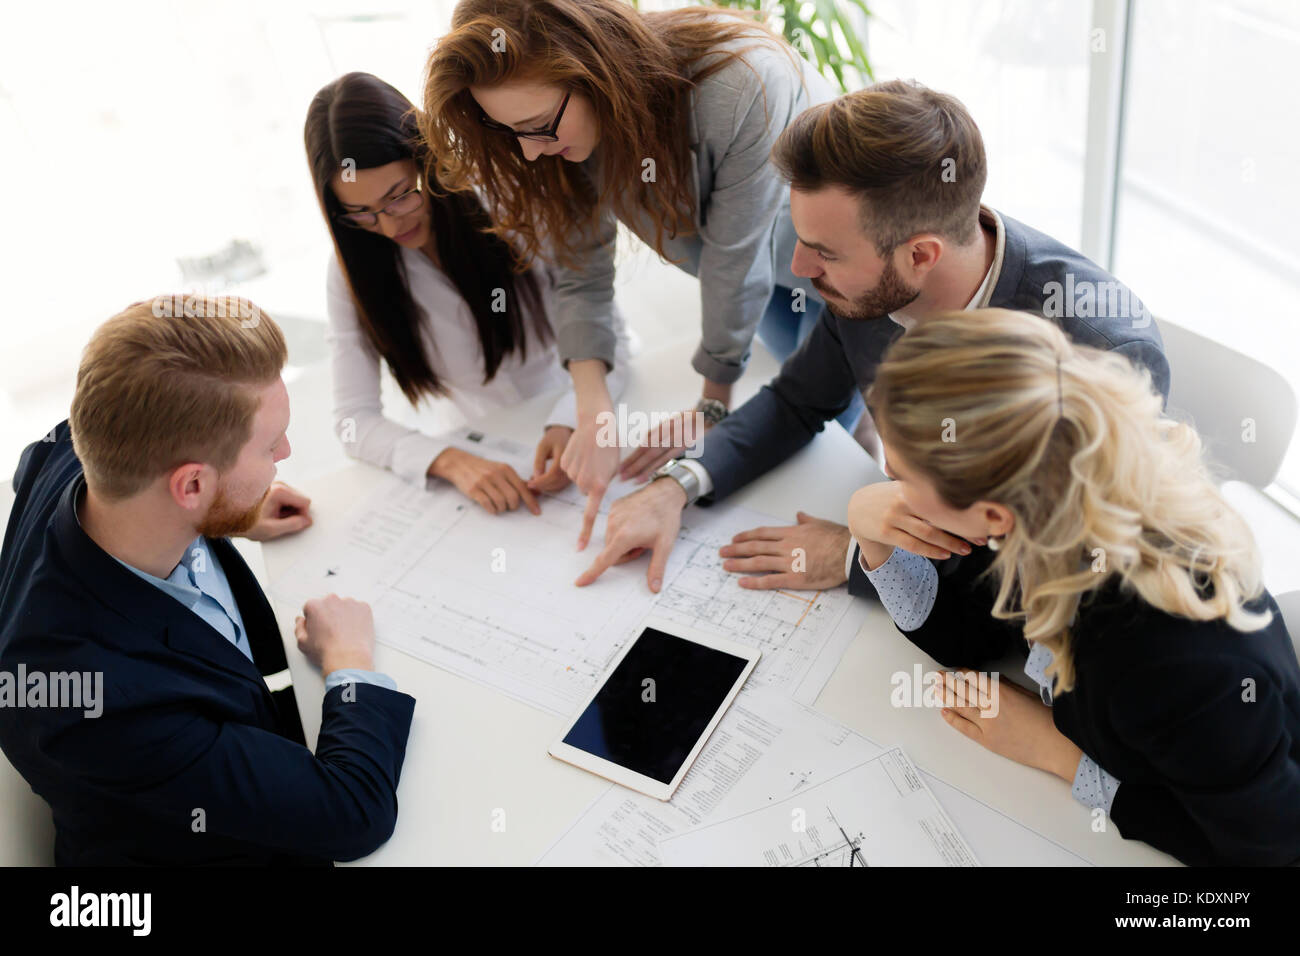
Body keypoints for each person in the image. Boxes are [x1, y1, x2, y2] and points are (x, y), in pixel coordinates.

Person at [576, 79, 1170, 596]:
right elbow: (798, 400)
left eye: (825, 253)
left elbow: (1060, 566)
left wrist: (860, 554)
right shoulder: (869, 284)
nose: (801, 269)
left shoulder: (1102, 354)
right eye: (801, 239)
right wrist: (677, 485)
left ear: (920, 255)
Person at [844, 307, 1299, 866]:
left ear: (992, 514)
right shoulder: (1050, 503)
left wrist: (1057, 754)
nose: (890, 483)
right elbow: (974, 638)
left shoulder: (1174, 666)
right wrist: (873, 538)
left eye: (904, 479)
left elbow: (1265, 849)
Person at [0, 296, 415, 865]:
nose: (287, 453)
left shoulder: (95, 441)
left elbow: (35, 461)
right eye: (271, 447)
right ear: (190, 485)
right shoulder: (107, 706)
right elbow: (353, 814)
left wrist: (235, 507)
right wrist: (348, 662)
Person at [420, 0, 837, 545]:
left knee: (830, 445)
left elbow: (735, 259)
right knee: (792, 450)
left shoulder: (742, 82)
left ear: (592, 68)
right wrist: (592, 410)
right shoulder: (563, 136)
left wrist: (712, 404)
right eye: (510, 134)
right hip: (762, 284)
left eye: (537, 127)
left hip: (840, 274)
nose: (527, 154)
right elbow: (580, 272)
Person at [305, 72, 631, 513]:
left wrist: (571, 420)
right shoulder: (350, 271)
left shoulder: (512, 197)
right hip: (486, 447)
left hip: (594, 403)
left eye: (401, 195)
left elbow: (612, 338)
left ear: (427, 157)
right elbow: (352, 422)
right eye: (361, 213)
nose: (389, 225)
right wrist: (449, 461)